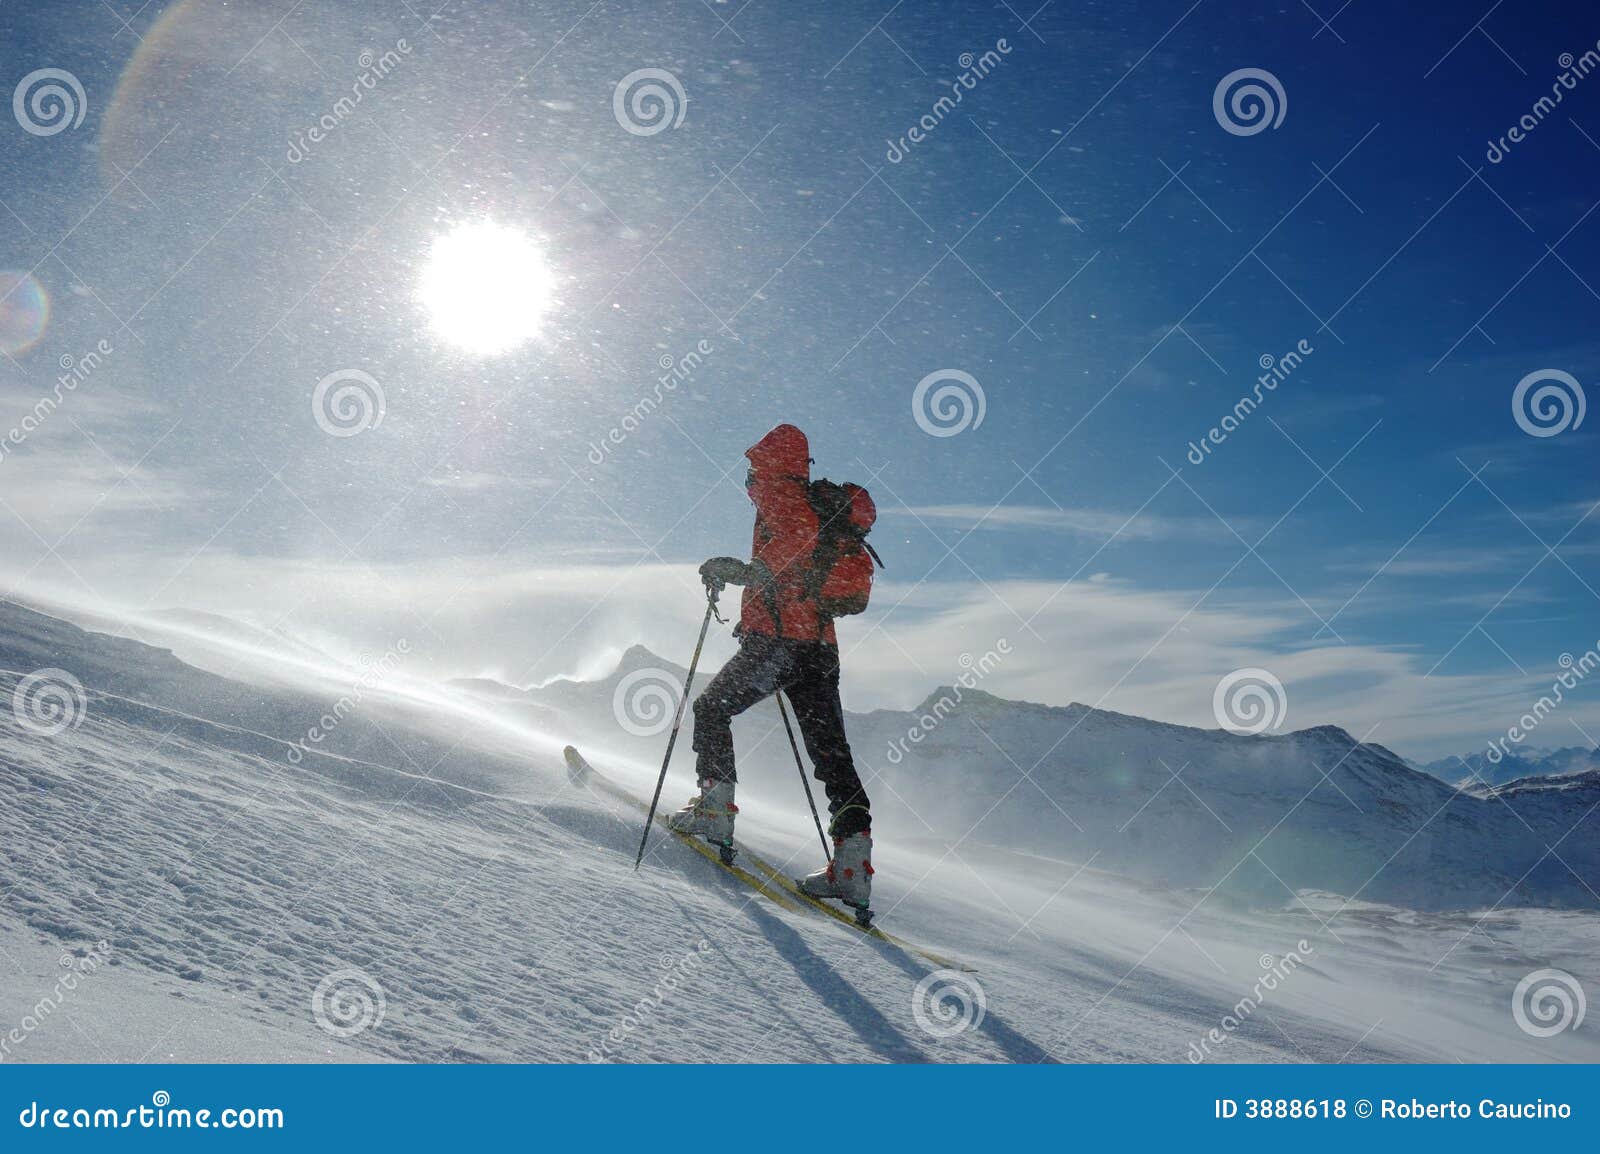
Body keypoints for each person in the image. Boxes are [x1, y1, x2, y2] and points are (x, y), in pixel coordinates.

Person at [666, 423, 875, 913]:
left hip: (779, 644)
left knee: (712, 708)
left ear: (771, 463)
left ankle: (715, 811)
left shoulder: (783, 501)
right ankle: (851, 870)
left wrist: (731, 571)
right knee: (833, 757)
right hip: (820, 652)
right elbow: (800, 567)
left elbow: (782, 566)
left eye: (754, 464)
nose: (748, 472)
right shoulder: (818, 508)